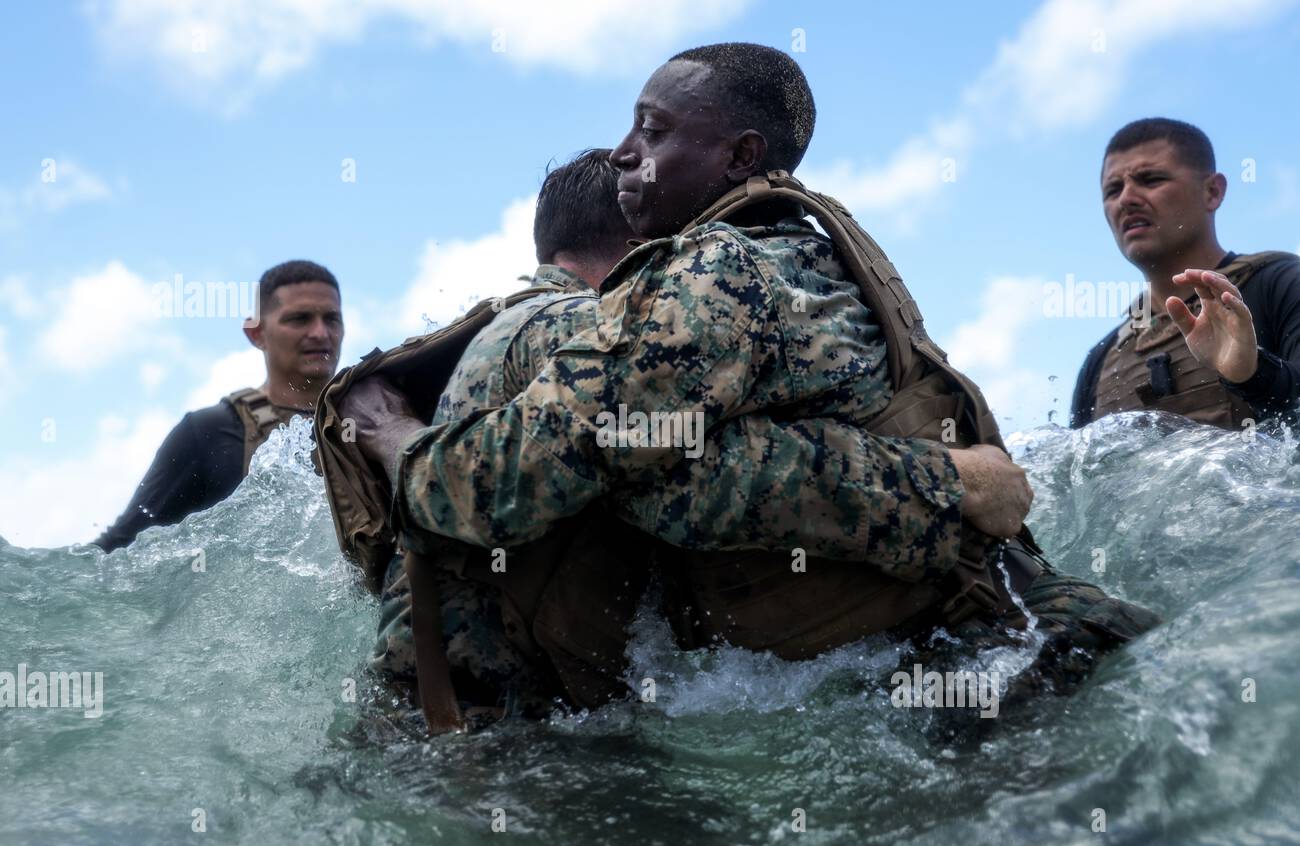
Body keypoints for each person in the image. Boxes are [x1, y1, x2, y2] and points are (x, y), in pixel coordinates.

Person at [349, 44, 1158, 727]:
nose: (624, 151)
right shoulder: (818, 253)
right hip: (1027, 637)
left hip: (991, 667)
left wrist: (400, 446)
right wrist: (956, 482)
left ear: (739, 156)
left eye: (653, 129)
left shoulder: (718, 269)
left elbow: (529, 480)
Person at [95, 260, 344, 551]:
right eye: (299, 319)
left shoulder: (369, 426)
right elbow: (119, 550)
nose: (320, 333)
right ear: (257, 333)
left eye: (332, 319)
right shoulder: (207, 431)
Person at [1071, 118, 1300, 429]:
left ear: (1212, 192)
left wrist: (1253, 374)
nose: (1126, 199)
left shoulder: (1282, 286)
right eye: (1113, 190)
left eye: (1151, 179)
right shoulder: (1102, 359)